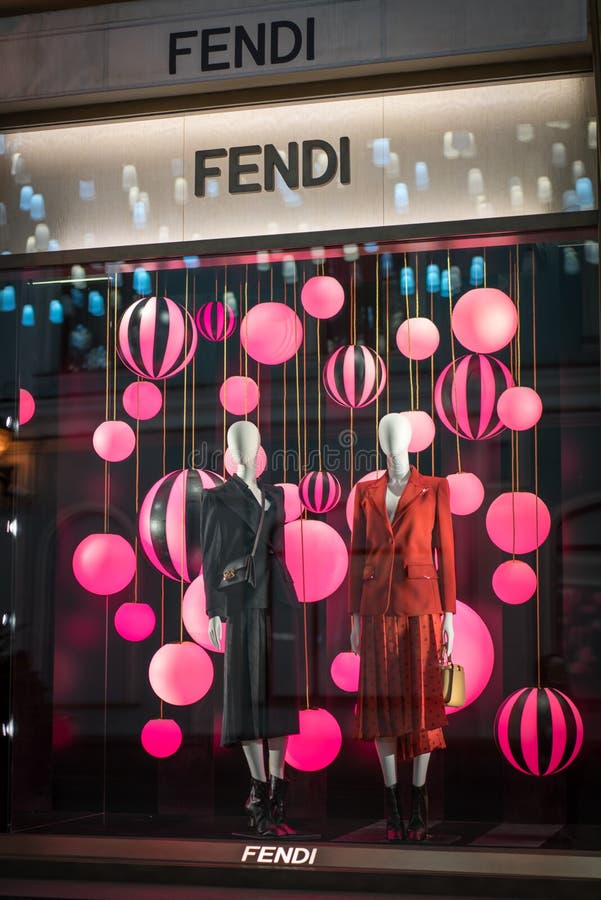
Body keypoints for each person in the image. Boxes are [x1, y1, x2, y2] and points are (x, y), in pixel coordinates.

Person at [348, 412, 456, 841]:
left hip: (422, 607)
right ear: (379, 439)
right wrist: (353, 617)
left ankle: (419, 804)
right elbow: (358, 556)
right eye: (385, 435)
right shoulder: (365, 491)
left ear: (412, 441)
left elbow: (445, 552)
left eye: (399, 435)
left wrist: (450, 615)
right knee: (381, 706)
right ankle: (392, 805)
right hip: (376, 608)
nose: (392, 442)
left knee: (424, 706)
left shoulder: (434, 487)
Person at [200, 420, 300, 836]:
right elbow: (211, 555)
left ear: (259, 448)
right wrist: (215, 609)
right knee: (243, 692)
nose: (243, 449)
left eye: (250, 441)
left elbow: (282, 548)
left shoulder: (275, 496)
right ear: (229, 449)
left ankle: (277, 794)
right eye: (235, 442)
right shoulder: (218, 498)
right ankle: (258, 792)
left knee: (279, 694)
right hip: (241, 603)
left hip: (279, 602)